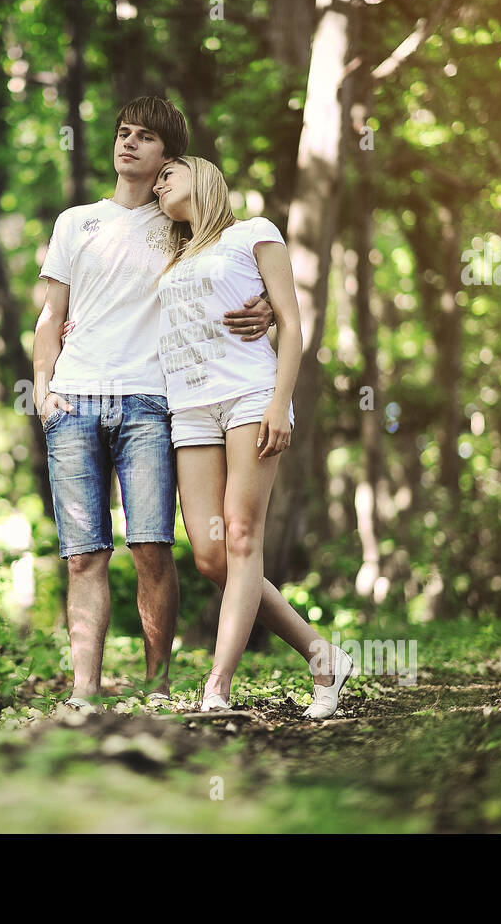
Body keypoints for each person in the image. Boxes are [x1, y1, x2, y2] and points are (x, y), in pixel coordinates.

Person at [32, 97, 275, 711]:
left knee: (151, 549)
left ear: (169, 156)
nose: (129, 144)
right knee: (84, 556)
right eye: (123, 133)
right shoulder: (75, 222)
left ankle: (157, 685)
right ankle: (84, 691)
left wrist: (267, 306)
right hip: (75, 399)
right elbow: (50, 315)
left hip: (152, 403)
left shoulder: (181, 227)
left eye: (145, 137)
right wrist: (42, 388)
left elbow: (233, 273)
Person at [151, 154, 354, 719]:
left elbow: (291, 320)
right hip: (190, 410)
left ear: (206, 177)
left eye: (172, 171)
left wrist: (279, 404)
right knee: (212, 556)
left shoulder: (253, 232)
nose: (161, 181)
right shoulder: (170, 256)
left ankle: (216, 686)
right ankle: (324, 656)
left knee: (243, 538)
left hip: (249, 397)